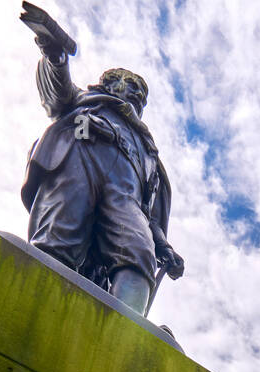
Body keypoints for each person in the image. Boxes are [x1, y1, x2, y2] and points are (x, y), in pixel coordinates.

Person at [20, 3, 184, 313]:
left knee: (138, 255)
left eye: (138, 90)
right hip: (77, 163)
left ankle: (123, 333)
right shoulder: (86, 101)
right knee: (57, 241)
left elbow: (150, 213)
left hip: (126, 197)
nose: (132, 91)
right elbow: (58, 94)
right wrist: (55, 54)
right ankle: (35, 311)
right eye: (126, 84)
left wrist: (163, 245)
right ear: (110, 86)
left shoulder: (149, 153)